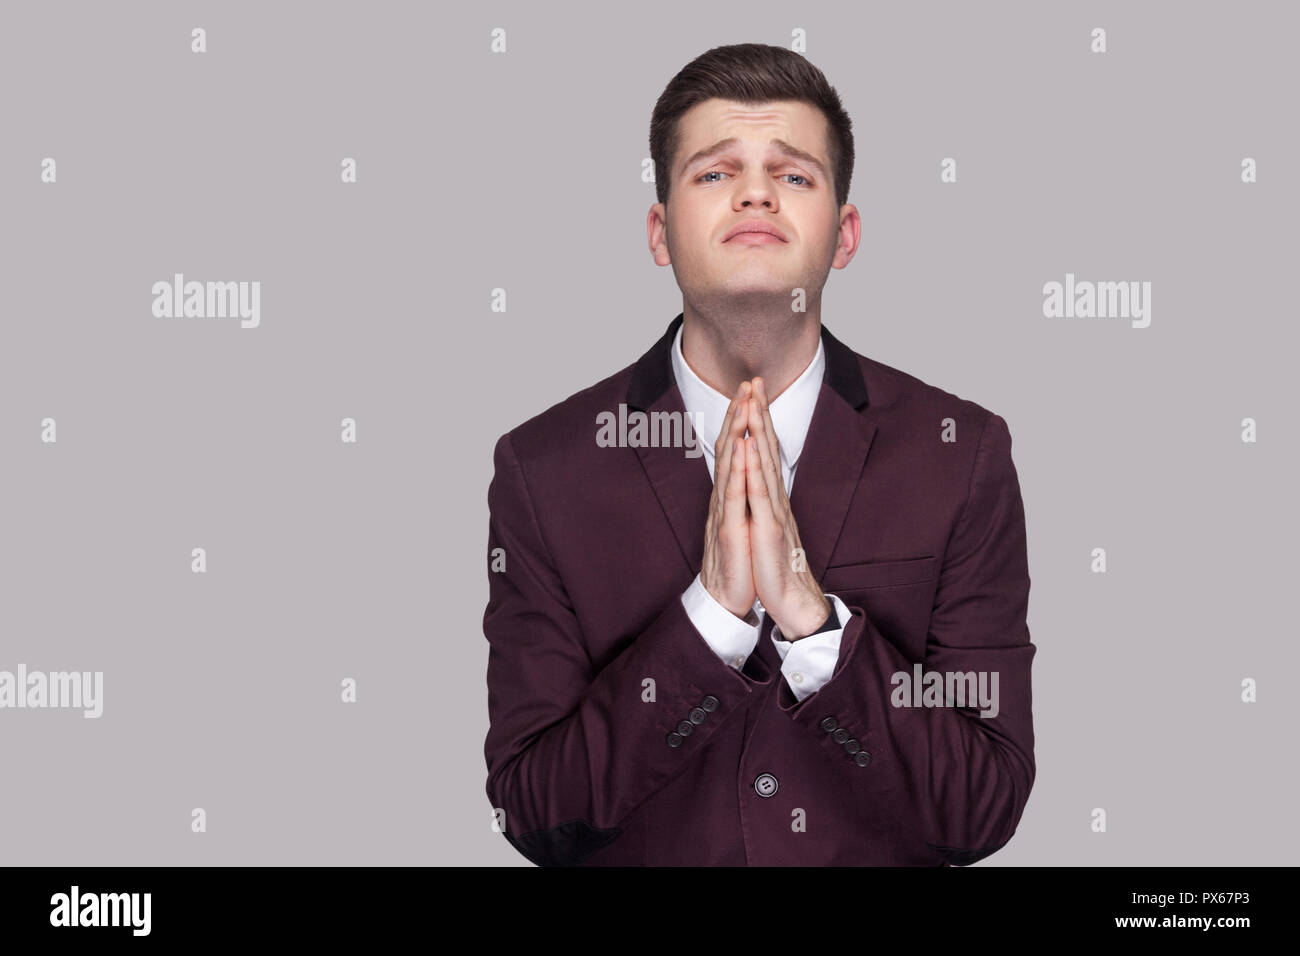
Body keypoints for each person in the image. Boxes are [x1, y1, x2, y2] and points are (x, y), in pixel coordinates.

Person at [482, 42, 1035, 866]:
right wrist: (708, 624)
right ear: (659, 232)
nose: (754, 192)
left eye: (795, 175)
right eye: (713, 173)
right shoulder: (543, 469)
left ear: (844, 235)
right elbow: (535, 815)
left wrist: (816, 629)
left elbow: (982, 808)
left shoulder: (961, 455)